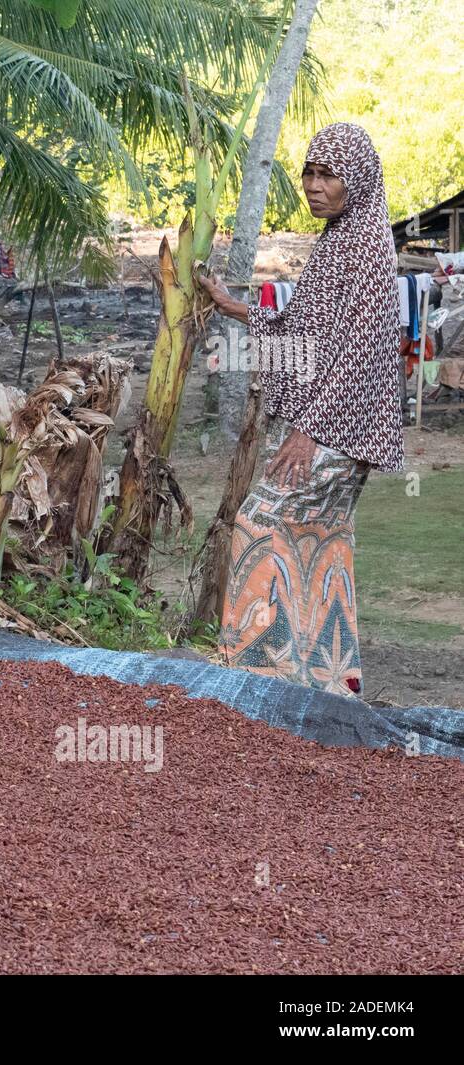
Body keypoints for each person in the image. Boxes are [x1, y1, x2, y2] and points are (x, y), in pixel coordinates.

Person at [199, 122, 403, 697]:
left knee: (260, 524)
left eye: (328, 175)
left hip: (332, 431)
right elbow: (305, 333)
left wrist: (308, 431)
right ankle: (328, 686)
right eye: (309, 173)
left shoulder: (363, 247)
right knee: (323, 538)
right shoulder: (346, 237)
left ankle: (257, 679)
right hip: (340, 429)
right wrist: (235, 308)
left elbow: (359, 346)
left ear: (356, 180)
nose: (313, 186)